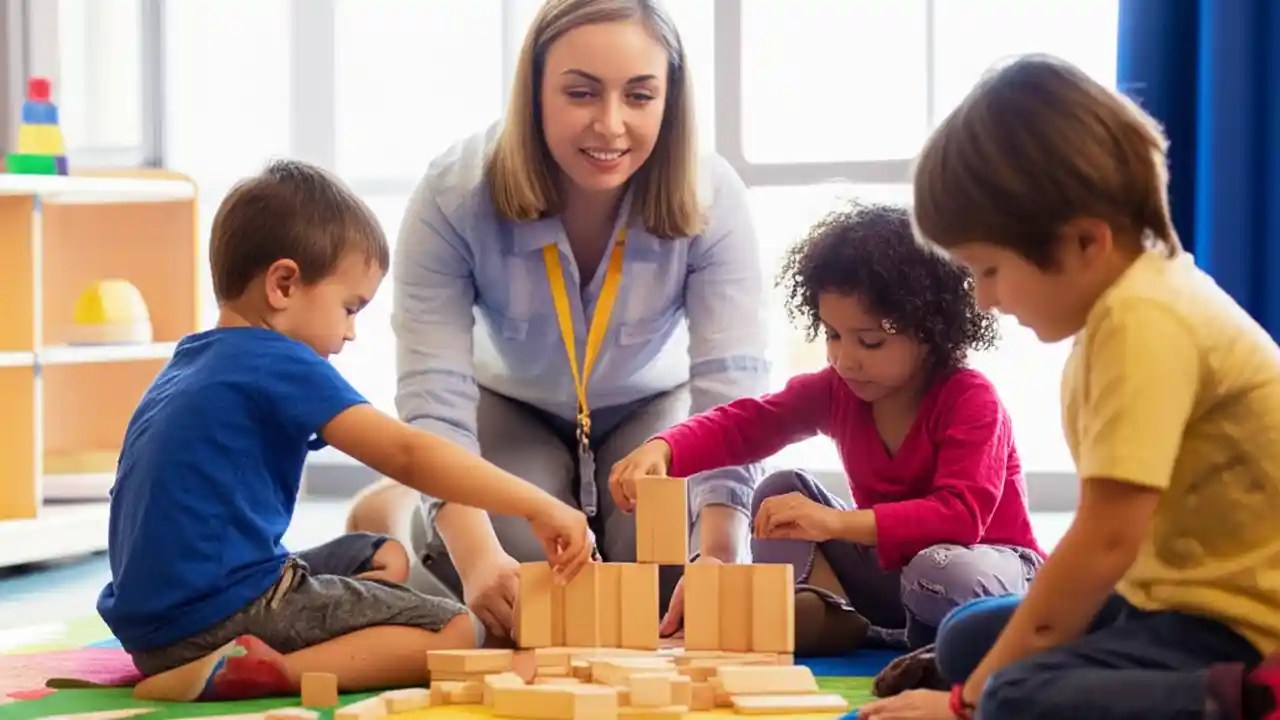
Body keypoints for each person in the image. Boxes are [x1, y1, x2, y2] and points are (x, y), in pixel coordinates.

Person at [858, 54, 1280, 720]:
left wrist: (965, 703)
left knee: (1009, 695)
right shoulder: (1136, 301)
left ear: (1085, 241)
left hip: (1241, 625)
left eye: (990, 269)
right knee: (967, 637)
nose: (984, 298)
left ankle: (1241, 699)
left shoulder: (1145, 322)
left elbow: (1105, 541)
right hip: (1170, 596)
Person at [345, 0, 769, 641]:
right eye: (581, 93)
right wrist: (476, 556)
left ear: (670, 100)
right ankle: (400, 506)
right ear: (534, 92)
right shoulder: (452, 194)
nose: (610, 125)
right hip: (510, 405)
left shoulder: (714, 195)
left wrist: (720, 551)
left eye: (639, 96)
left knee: (662, 576)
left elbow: (731, 385)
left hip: (651, 408)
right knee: (528, 581)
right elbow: (435, 395)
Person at [98, 160, 592, 703]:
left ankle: (313, 634)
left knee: (383, 557)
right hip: (216, 615)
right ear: (283, 284)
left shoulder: (192, 361)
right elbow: (407, 454)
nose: (352, 332)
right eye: (349, 308)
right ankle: (267, 668)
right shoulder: (277, 361)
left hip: (150, 628)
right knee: (455, 630)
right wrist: (535, 505)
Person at [611, 201, 1045, 654]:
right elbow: (749, 424)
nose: (844, 359)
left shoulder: (971, 399)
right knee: (780, 493)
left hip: (985, 567)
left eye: (870, 342)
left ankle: (933, 639)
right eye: (833, 335)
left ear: (930, 332)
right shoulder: (837, 390)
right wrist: (666, 448)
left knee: (940, 569)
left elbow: (960, 517)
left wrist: (835, 522)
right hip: (898, 575)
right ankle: (834, 615)